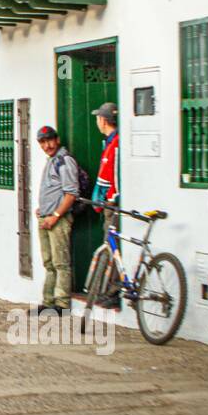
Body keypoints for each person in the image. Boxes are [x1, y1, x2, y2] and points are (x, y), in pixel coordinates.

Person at [34, 126, 79, 314]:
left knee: (61, 262)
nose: (47, 145)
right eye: (43, 142)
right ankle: (48, 301)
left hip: (57, 220)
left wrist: (56, 215)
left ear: (57, 139)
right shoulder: (51, 161)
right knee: (49, 262)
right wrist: (43, 210)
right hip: (46, 217)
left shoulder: (64, 161)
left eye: (49, 140)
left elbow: (71, 194)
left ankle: (61, 303)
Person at [91, 101, 121, 306]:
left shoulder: (115, 143)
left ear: (103, 120)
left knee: (113, 247)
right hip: (110, 202)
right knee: (111, 245)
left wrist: (106, 199)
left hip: (113, 203)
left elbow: (112, 175)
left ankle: (112, 292)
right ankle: (108, 290)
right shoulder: (111, 142)